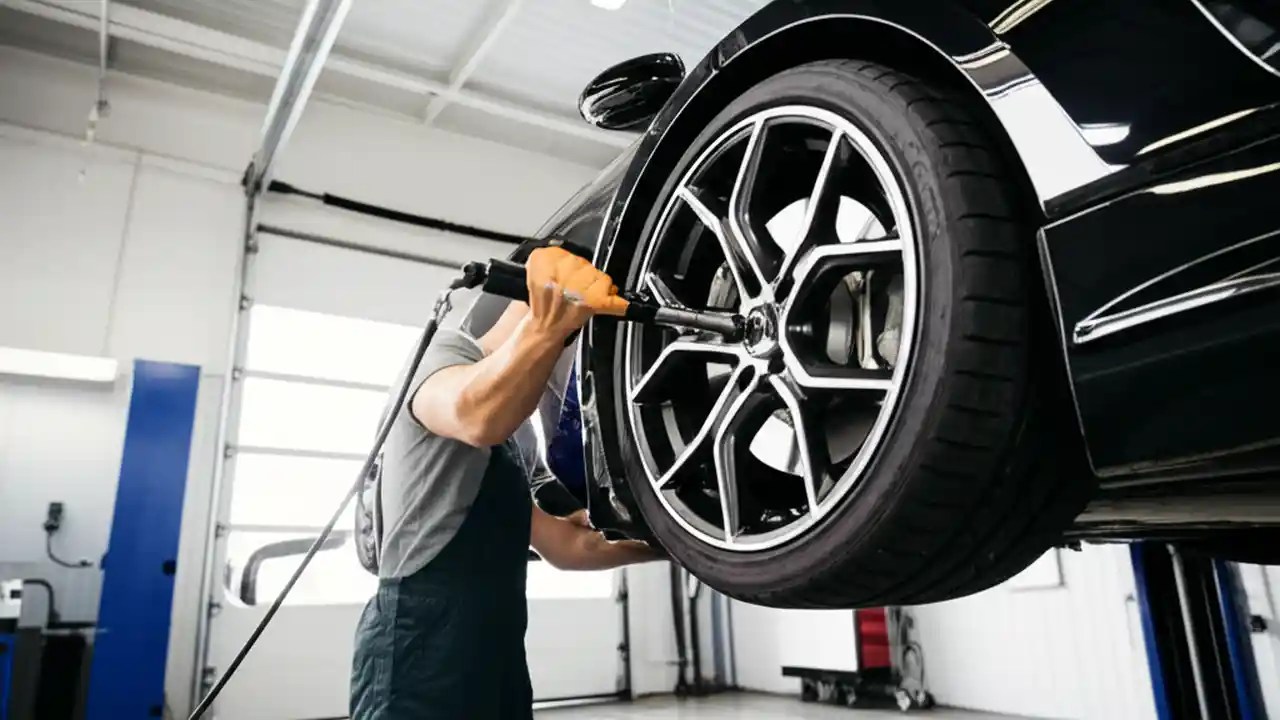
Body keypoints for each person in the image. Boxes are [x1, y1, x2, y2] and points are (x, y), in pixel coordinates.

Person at [350, 246, 661, 719]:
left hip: (495, 645)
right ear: (533, 292)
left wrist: (681, 547)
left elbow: (568, 546)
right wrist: (550, 323)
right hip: (419, 642)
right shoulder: (442, 354)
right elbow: (473, 414)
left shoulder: (517, 436)